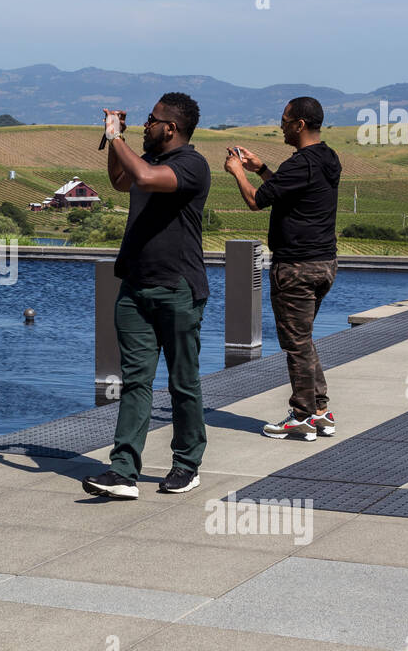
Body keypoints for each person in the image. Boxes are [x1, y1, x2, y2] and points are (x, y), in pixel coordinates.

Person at [83, 93, 209, 500]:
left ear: (170, 128)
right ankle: (123, 471)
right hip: (135, 288)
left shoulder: (190, 165)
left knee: (182, 382)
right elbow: (121, 180)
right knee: (135, 382)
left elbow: (143, 179)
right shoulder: (148, 161)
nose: (145, 125)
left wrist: (116, 135)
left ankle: (186, 465)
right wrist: (112, 141)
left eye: (151, 120)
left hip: (178, 289)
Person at [224, 96, 341, 441]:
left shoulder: (299, 164)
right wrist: (260, 169)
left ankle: (302, 416)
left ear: (299, 124)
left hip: (296, 268)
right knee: (303, 340)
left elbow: (256, 201)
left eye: (285, 121)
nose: (281, 127)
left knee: (295, 344)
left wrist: (236, 173)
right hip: (325, 264)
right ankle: (320, 411)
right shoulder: (327, 159)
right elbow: (286, 191)